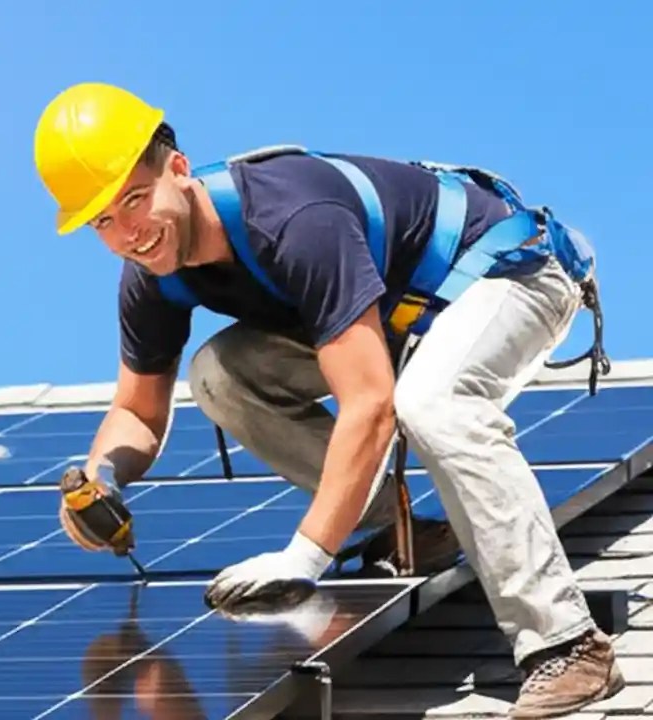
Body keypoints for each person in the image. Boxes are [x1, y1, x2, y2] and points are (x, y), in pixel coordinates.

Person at [33, 81, 621, 718]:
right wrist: (103, 476)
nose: (129, 235)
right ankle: (400, 529)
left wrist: (305, 555)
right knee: (217, 373)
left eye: (136, 201)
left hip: (510, 272)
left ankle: (568, 643)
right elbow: (137, 413)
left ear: (178, 169)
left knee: (434, 401)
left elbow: (370, 402)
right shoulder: (149, 280)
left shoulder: (293, 220)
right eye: (103, 222)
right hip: (396, 318)